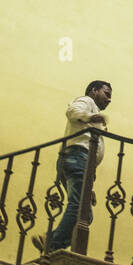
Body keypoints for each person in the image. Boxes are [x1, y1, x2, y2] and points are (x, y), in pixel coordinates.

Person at [33, 80, 112, 255]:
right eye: (106, 94)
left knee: (86, 215)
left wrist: (89, 182)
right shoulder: (86, 101)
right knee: (78, 206)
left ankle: (52, 243)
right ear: (94, 91)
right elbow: (72, 111)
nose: (109, 99)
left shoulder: (92, 107)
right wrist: (91, 117)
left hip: (79, 162)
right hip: (77, 158)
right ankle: (52, 244)